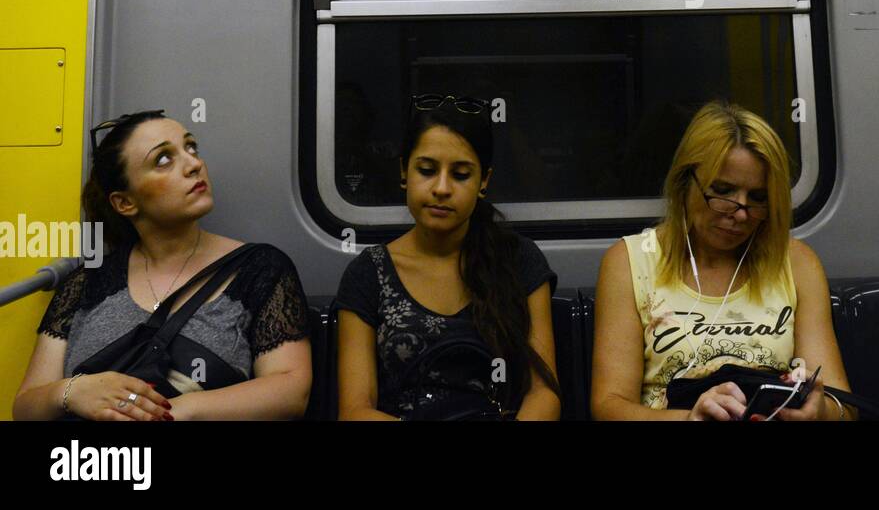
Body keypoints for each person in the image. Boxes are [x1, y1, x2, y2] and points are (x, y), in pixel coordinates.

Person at [13, 110, 312, 421]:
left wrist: (174, 412)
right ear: (125, 203)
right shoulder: (88, 282)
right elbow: (25, 407)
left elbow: (290, 390)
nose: (194, 164)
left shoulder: (258, 269)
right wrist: (74, 391)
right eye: (163, 160)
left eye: (191, 148)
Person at [591, 101, 853, 420]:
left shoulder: (796, 263)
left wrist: (819, 413)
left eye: (757, 198)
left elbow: (843, 406)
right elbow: (609, 407)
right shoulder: (631, 261)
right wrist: (690, 419)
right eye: (723, 191)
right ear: (686, 183)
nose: (740, 213)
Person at [335, 94, 560, 420]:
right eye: (426, 170)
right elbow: (356, 411)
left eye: (460, 175)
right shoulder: (368, 274)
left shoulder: (518, 261)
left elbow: (544, 393)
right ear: (404, 172)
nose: (441, 188)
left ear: (484, 182)